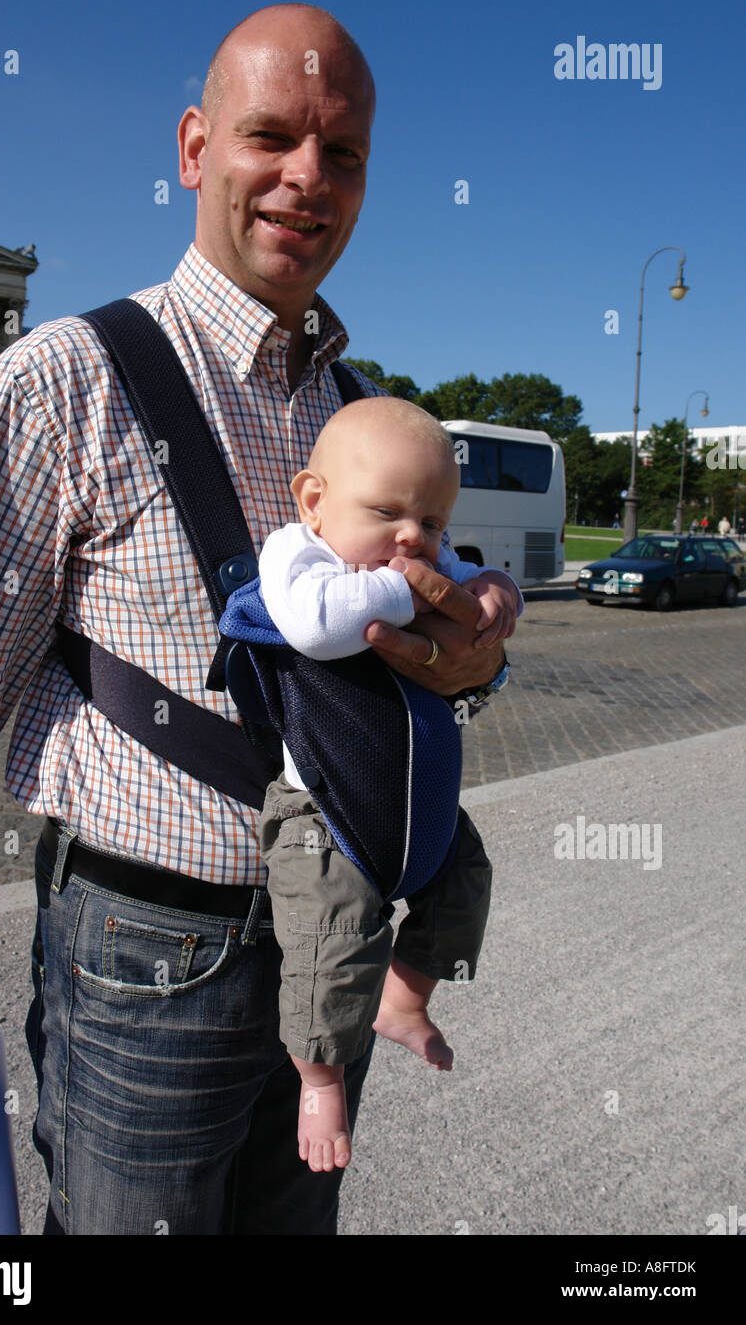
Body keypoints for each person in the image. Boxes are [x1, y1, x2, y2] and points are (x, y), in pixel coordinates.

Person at [0, 4, 508, 1235]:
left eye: (342, 155)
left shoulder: (365, 406)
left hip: (327, 951)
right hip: (147, 962)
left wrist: (466, 661)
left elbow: (420, 668)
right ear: (191, 147)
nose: (304, 180)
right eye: (269, 137)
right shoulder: (60, 377)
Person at [219, 395, 520, 1171]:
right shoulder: (298, 557)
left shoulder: (407, 555)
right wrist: (414, 591)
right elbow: (316, 625)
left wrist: (494, 594)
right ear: (315, 501)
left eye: (434, 525)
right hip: (321, 816)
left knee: (468, 882)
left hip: (418, 811)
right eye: (387, 512)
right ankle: (320, 1079)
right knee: (332, 936)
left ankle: (406, 994)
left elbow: (472, 591)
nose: (413, 538)